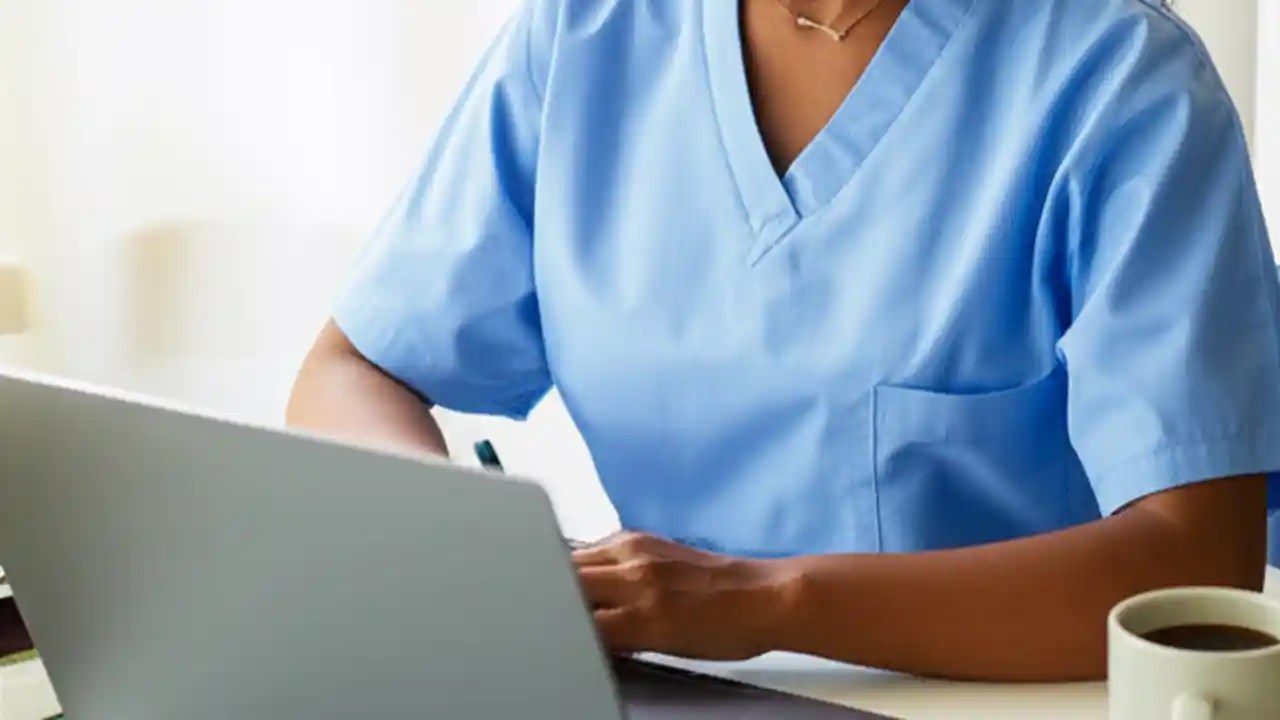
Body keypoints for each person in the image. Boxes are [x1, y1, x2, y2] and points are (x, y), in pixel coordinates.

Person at [288, 0, 1280, 681]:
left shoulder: (1117, 77)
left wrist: (764, 603)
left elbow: (1191, 566)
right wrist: (463, 546)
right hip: (664, 691)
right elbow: (354, 369)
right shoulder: (588, 36)